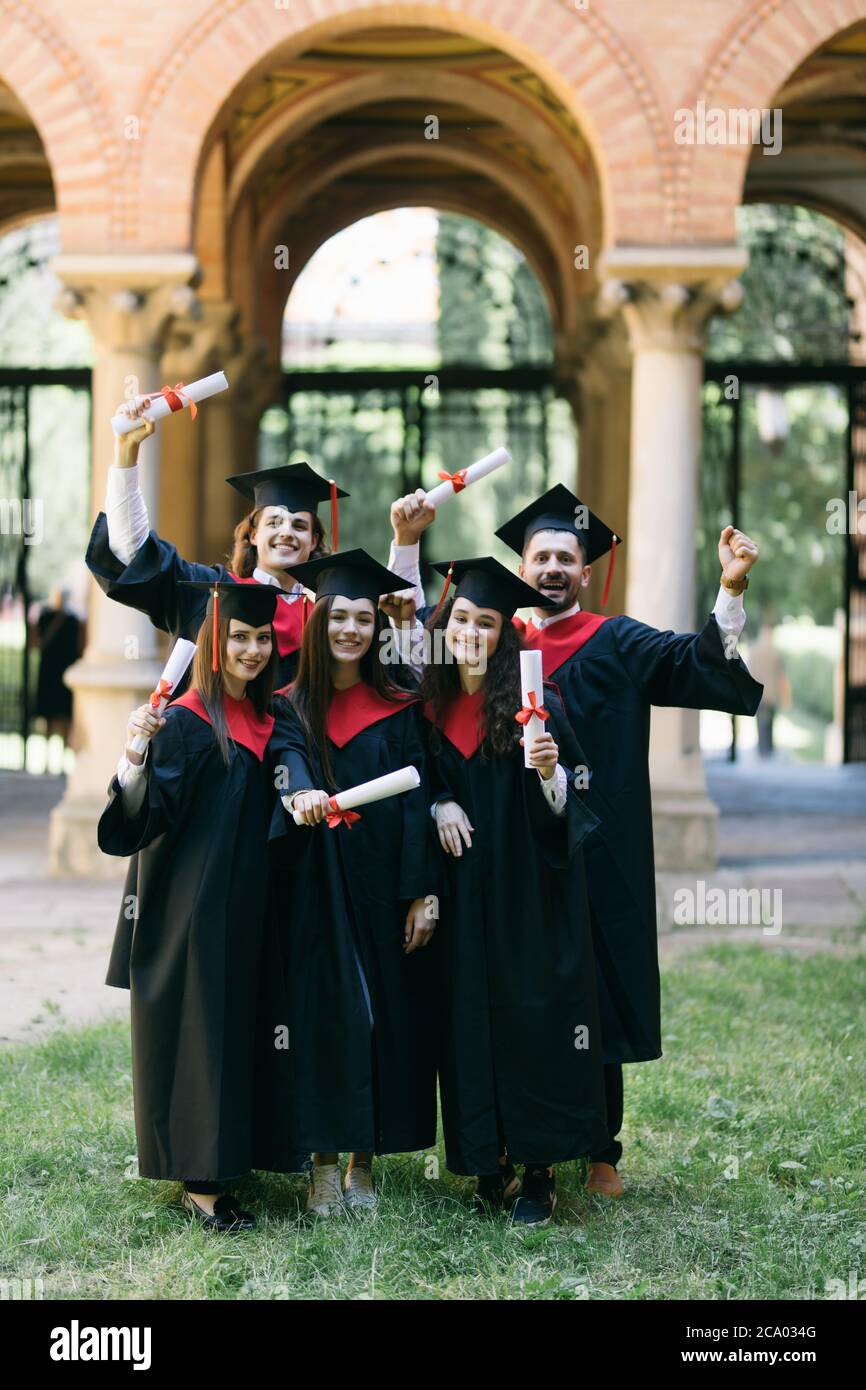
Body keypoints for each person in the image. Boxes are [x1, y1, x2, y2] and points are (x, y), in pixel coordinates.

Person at [489, 486, 764, 1196]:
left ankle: (601, 1147)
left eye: (564, 557)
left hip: (599, 849)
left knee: (597, 987)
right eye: (540, 555)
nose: (551, 567)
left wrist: (729, 590)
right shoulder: (494, 645)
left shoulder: (615, 642)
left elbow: (696, 662)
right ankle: (518, 1145)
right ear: (522, 566)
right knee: (523, 991)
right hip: (516, 851)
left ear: (586, 572)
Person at [97, 580, 299, 1231]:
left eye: (262, 638)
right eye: (239, 637)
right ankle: (203, 1187)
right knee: (204, 1035)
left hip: (260, 907)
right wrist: (133, 755)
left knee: (246, 1029)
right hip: (197, 909)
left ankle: (237, 1160)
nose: (252, 648)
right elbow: (141, 819)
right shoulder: (185, 721)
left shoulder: (277, 720)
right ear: (216, 641)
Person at [420, 556, 607, 1227]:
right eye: (462, 618)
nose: (471, 630)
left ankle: (537, 1171)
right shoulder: (429, 704)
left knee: (530, 1016)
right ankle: (486, 1161)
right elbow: (416, 781)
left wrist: (550, 772)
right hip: (463, 889)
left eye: (486, 622)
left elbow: (567, 808)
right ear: (447, 624)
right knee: (469, 1014)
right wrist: (438, 802)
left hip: (527, 891)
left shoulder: (536, 705)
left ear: (506, 633)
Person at [269, 549, 439, 1217]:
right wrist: (301, 792)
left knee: (383, 1019)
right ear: (318, 622)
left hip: (383, 884)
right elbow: (284, 765)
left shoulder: (399, 706)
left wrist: (424, 891)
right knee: (322, 1021)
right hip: (318, 888)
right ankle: (321, 1164)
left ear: (376, 628)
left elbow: (420, 802)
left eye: (363, 619)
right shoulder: (290, 706)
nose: (350, 629)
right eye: (337, 616)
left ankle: (363, 1166)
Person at [86, 394, 420, 691]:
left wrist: (406, 543)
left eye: (300, 525)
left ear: (314, 540)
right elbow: (133, 551)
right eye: (273, 522)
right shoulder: (208, 593)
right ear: (253, 534)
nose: (287, 531)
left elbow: (406, 670)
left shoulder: (335, 615)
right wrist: (126, 453)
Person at [29, 585, 84, 747]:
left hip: (54, 672)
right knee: (55, 715)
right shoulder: (70, 620)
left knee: (57, 716)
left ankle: (55, 755)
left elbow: (34, 643)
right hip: (57, 672)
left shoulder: (67, 619)